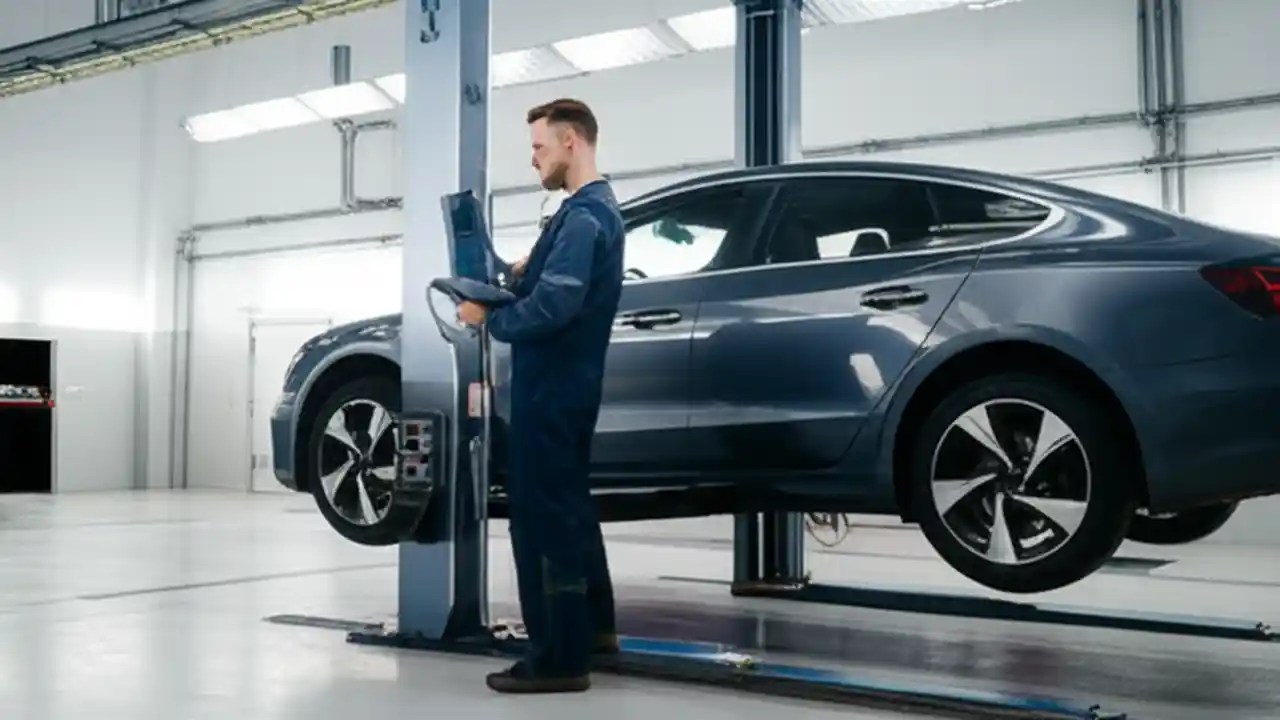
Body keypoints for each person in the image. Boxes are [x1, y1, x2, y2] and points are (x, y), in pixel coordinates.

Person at [457, 98, 623, 694]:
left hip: (550, 390)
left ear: (570, 141)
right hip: (569, 387)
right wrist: (513, 272)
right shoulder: (587, 213)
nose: (533, 159)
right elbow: (551, 286)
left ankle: (557, 658)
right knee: (570, 509)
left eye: (539, 147)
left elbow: (555, 305)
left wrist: (489, 318)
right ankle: (594, 633)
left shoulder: (582, 218)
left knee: (541, 518)